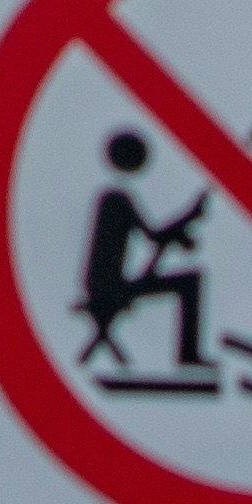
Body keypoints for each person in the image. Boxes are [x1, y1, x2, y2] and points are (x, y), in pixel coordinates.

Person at [80, 129, 210, 376]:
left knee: (190, 281)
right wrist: (188, 215)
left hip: (108, 283)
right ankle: (188, 356)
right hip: (109, 287)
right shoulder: (117, 199)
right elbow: (154, 236)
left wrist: (182, 225)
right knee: (190, 283)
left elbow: (155, 236)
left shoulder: (112, 197)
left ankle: (190, 356)